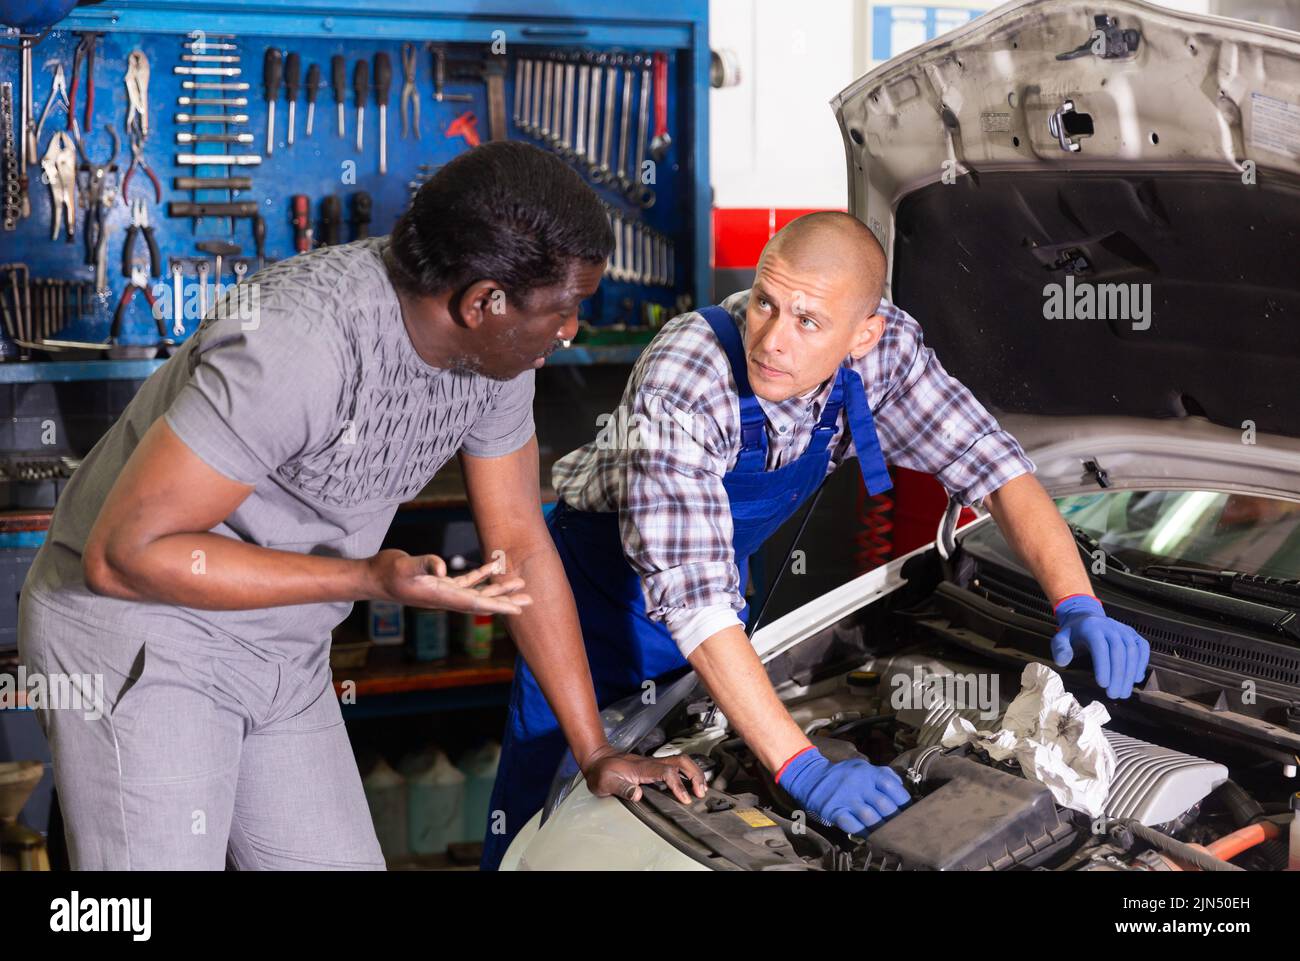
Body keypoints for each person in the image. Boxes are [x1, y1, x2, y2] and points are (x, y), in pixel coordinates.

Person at [18, 141, 701, 870]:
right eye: (565, 311)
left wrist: (593, 747)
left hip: (283, 644)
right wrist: (368, 579)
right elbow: (126, 554)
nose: (572, 332)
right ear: (481, 302)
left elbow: (521, 546)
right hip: (144, 632)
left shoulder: (499, 358)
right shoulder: (298, 345)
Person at [482, 211, 1150, 869]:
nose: (771, 340)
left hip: (713, 605)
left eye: (808, 321)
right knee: (551, 803)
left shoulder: (889, 353)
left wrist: (1077, 601)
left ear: (864, 334)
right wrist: (803, 768)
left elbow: (995, 468)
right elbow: (693, 599)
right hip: (590, 602)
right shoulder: (690, 371)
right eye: (766, 303)